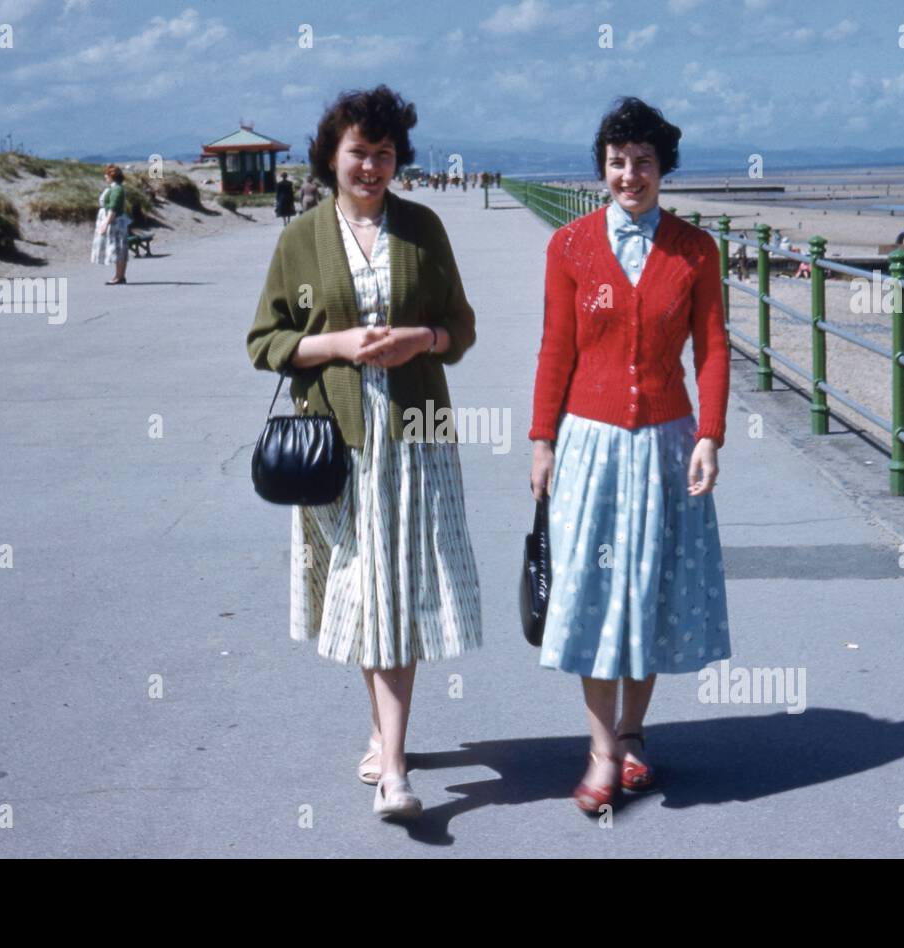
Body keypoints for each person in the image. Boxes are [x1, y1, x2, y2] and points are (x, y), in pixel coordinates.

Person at [247, 84, 482, 821]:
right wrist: (339, 345)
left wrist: (423, 340)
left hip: (416, 433)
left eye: (383, 154)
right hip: (337, 439)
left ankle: (395, 765)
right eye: (359, 152)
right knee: (363, 589)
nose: (371, 166)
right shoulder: (300, 239)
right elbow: (266, 342)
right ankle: (387, 735)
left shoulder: (423, 229)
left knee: (397, 589)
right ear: (331, 156)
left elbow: (461, 329)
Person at [529, 96, 730, 815]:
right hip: (588, 440)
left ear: (662, 167)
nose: (629, 174)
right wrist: (541, 440)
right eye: (617, 161)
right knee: (590, 593)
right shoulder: (571, 247)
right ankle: (600, 750)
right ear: (602, 167)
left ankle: (636, 732)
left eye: (643, 162)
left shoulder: (695, 249)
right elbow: (556, 348)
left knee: (647, 592)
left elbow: (711, 347)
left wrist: (710, 434)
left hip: (667, 443)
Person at [92, 164, 130, 284]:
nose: (105, 176)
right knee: (120, 249)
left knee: (117, 249)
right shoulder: (114, 188)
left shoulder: (116, 189)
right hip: (116, 221)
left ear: (112, 176)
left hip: (115, 223)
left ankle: (119, 276)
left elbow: (113, 208)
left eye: (107, 174)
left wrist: (105, 224)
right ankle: (120, 275)